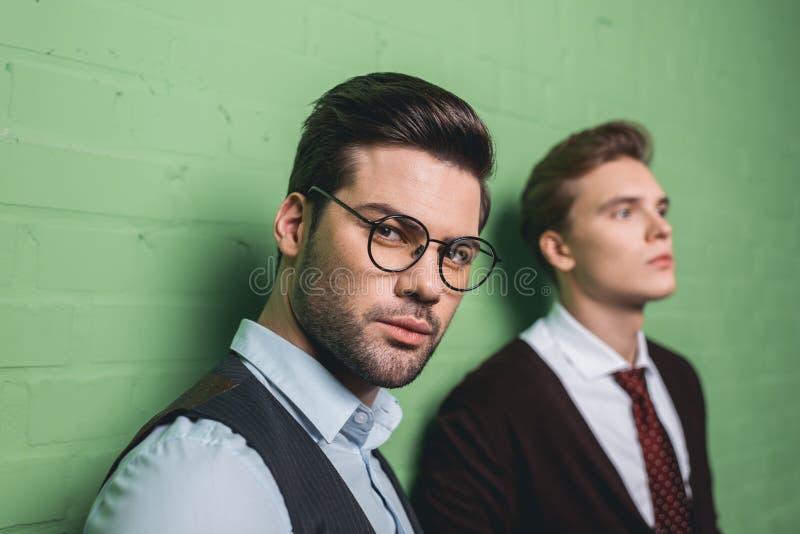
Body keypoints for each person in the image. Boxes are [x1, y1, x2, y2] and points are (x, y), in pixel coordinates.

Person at [84, 72, 500, 534]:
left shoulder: (357, 445)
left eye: (457, 253)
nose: (429, 286)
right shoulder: (209, 472)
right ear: (297, 226)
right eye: (389, 232)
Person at [414, 121, 720, 533]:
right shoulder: (484, 409)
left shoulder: (680, 377)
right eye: (625, 211)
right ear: (559, 249)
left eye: (660, 209)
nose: (661, 229)